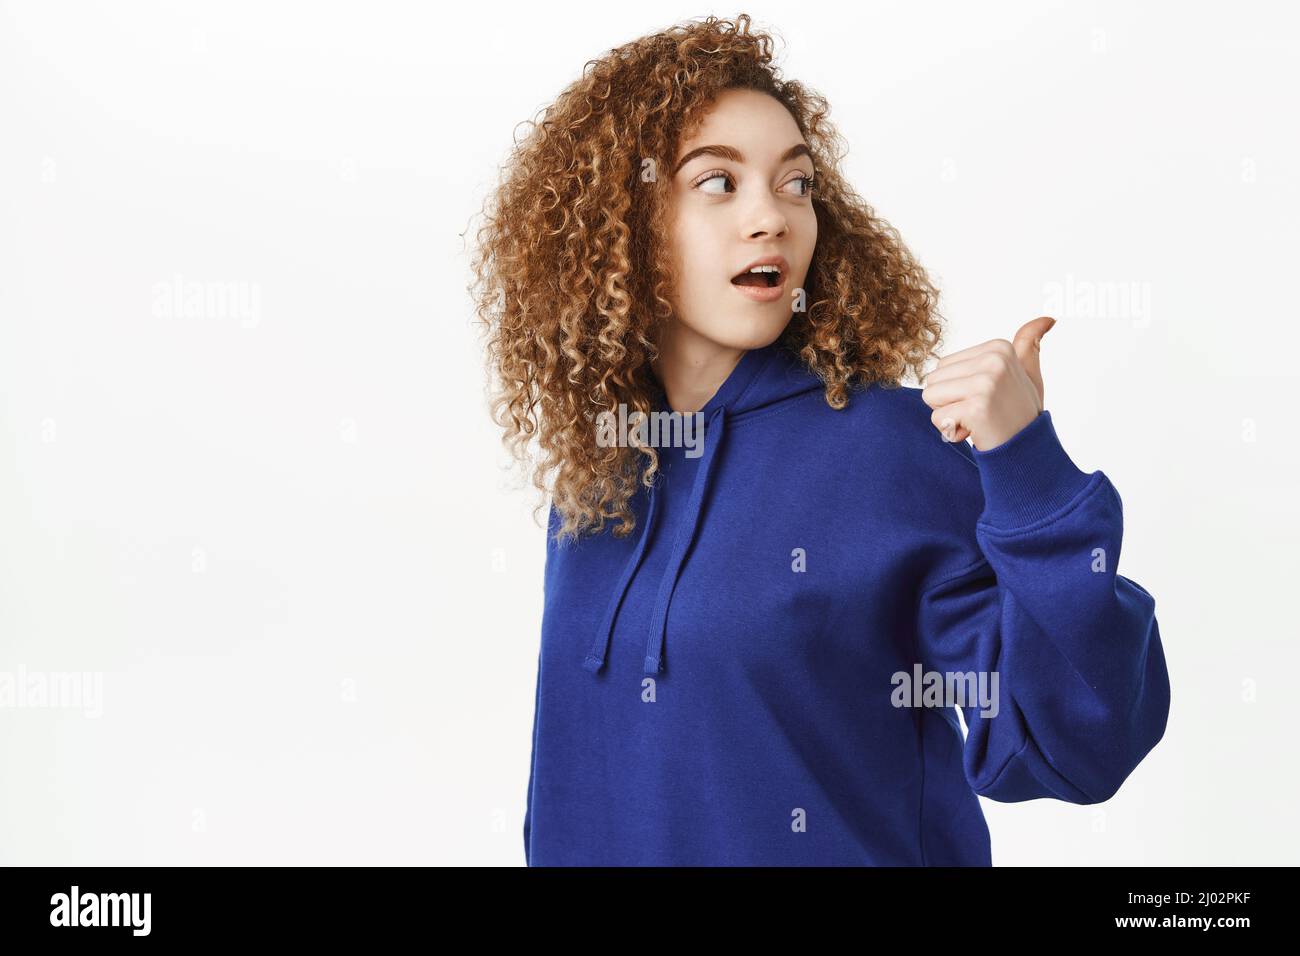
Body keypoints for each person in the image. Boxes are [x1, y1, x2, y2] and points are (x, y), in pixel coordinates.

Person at [468, 14, 1170, 866]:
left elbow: (1078, 744)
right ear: (623, 219)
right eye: (719, 182)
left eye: (796, 184)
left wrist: (1025, 468)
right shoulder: (602, 475)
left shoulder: (890, 450)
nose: (771, 217)